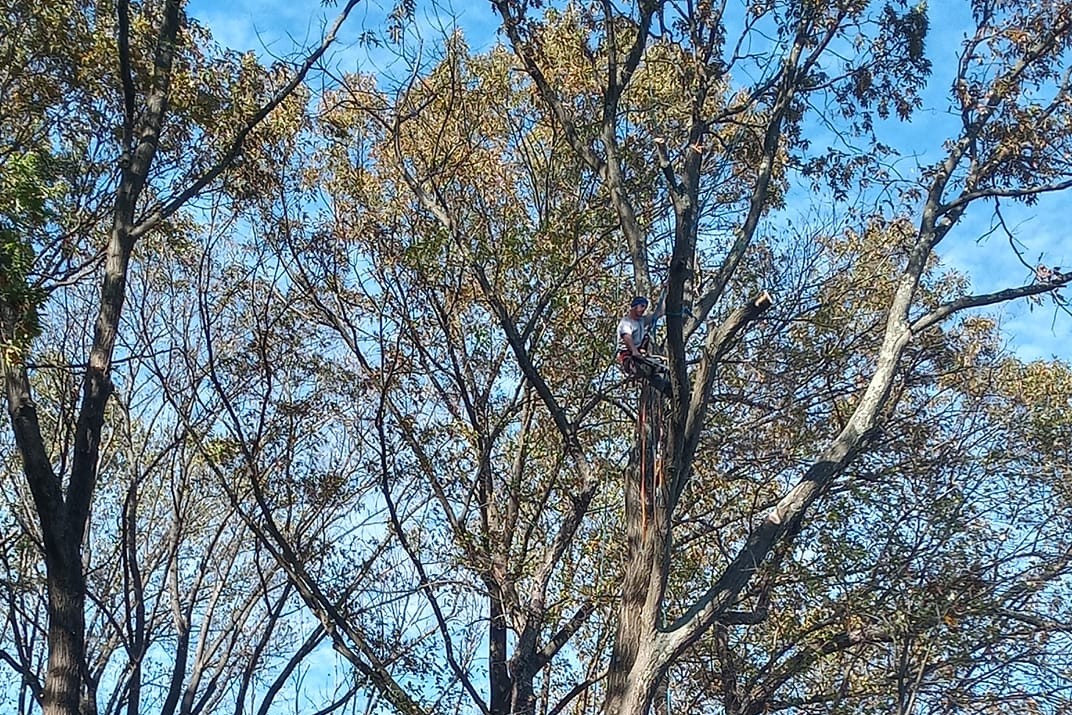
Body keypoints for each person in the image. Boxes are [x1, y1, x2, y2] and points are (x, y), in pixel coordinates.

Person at [616, 295, 670, 395]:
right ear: (634, 307)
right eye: (641, 306)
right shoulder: (626, 322)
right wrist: (635, 351)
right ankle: (662, 374)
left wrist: (666, 291)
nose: (643, 310)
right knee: (651, 368)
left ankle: (668, 390)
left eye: (645, 307)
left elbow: (659, 312)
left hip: (639, 356)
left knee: (654, 373)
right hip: (629, 357)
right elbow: (627, 337)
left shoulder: (641, 321)